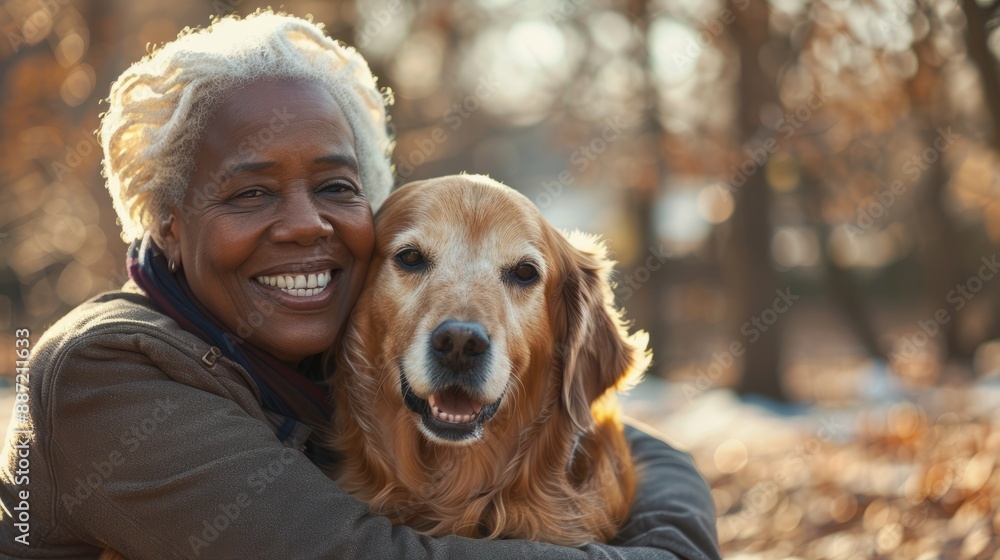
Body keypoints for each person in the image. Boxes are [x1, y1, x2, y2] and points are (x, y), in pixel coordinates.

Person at [0, 10, 719, 559]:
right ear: (167, 224)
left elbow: (627, 441)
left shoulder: (330, 325)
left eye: (335, 186)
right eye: (250, 193)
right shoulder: (102, 376)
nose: (305, 225)